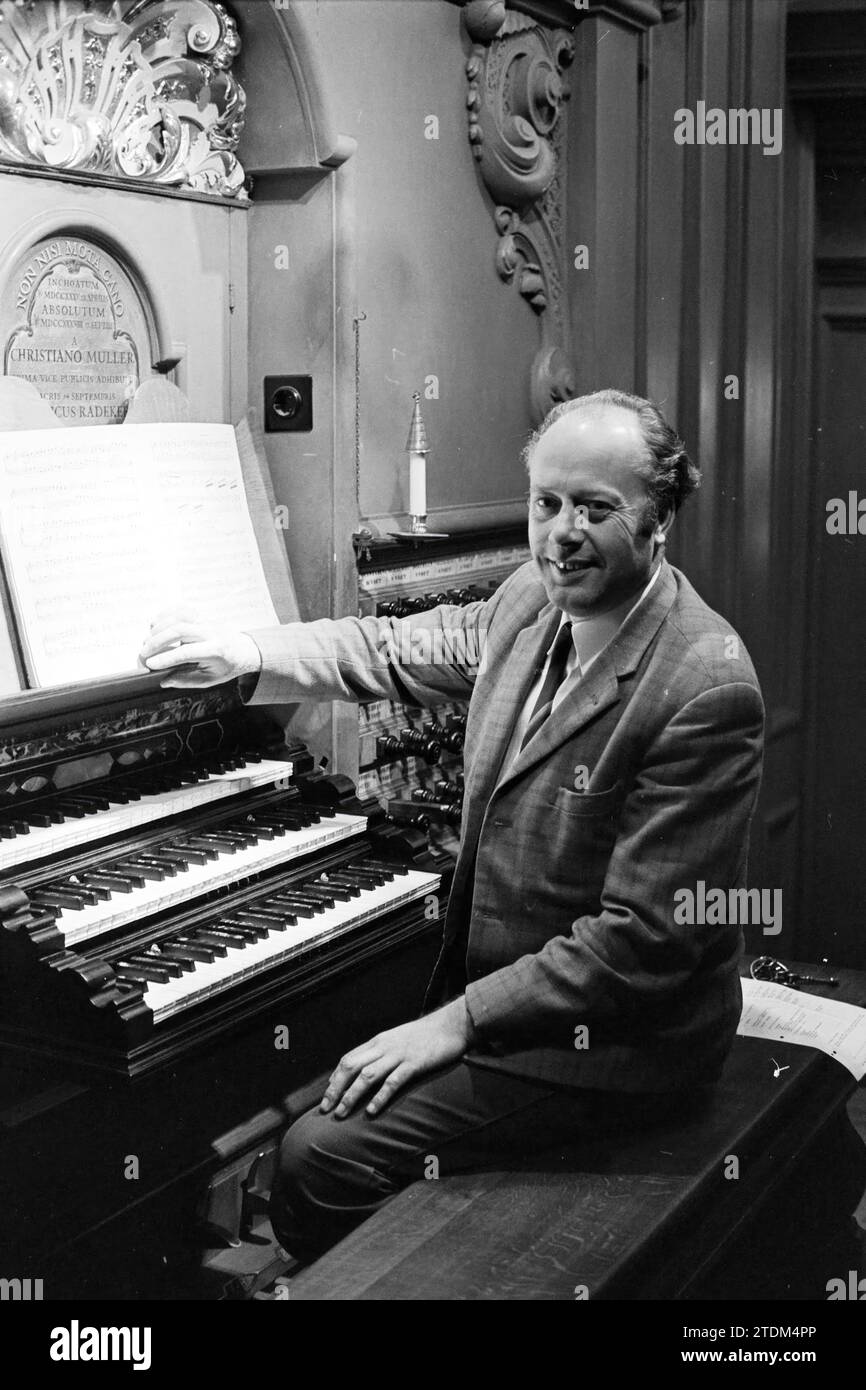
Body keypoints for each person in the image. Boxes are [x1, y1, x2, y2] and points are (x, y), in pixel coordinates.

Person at [140, 389, 764, 1264]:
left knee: (320, 1157)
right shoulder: (532, 601)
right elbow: (395, 649)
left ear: (659, 521)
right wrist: (248, 650)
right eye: (547, 504)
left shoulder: (703, 686)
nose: (561, 533)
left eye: (596, 508)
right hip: (505, 989)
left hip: (620, 1043)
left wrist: (455, 1024)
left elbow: (644, 945)